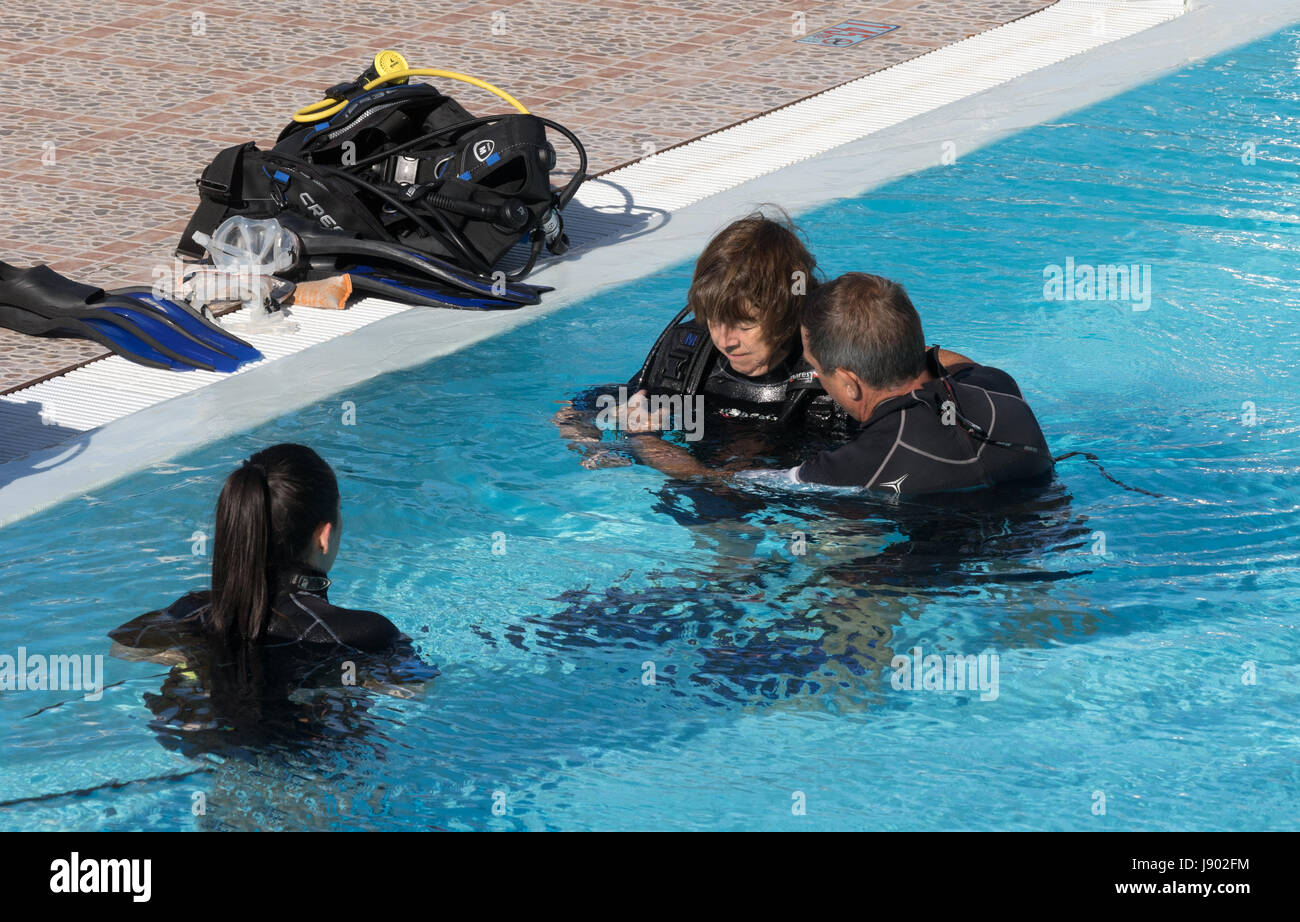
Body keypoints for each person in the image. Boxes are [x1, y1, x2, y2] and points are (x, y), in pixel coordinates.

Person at [630, 272, 1055, 495]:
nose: (812, 378)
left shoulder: (858, 464)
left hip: (938, 570)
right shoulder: (999, 390)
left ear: (850, 383)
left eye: (817, 368)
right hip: (1048, 531)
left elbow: (720, 483)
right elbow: (953, 364)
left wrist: (646, 441)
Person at [554, 211, 847, 463]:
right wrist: (591, 447)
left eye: (745, 325)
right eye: (715, 320)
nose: (726, 340)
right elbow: (574, 409)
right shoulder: (689, 359)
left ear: (788, 311)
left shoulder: (834, 374)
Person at [111, 443, 411, 664]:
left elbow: (123, 648)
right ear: (324, 535)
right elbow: (415, 690)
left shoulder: (192, 611)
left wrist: (194, 658)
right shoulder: (364, 633)